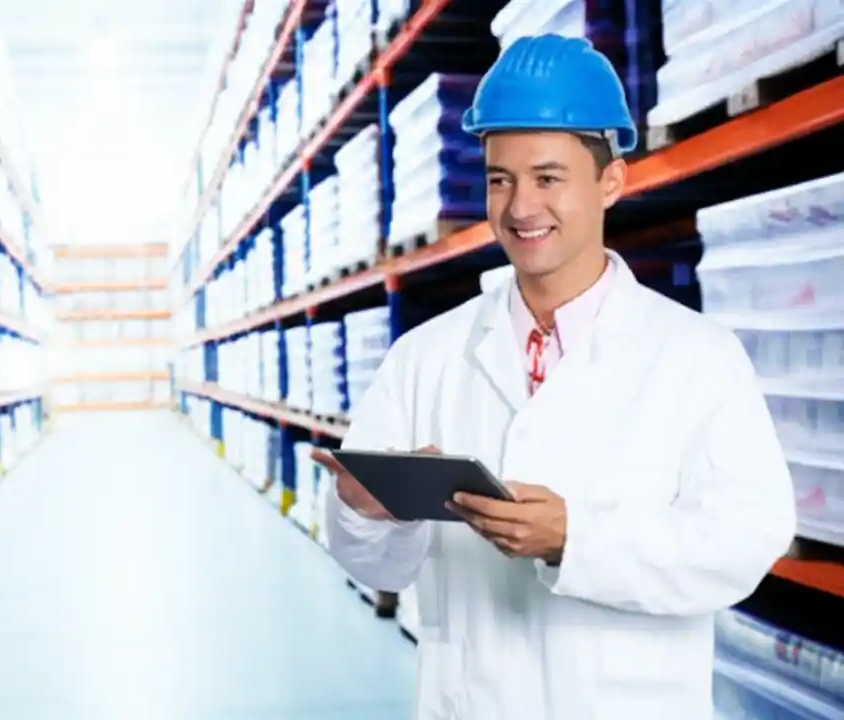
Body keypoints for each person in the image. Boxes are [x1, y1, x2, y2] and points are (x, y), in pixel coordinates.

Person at [312, 34, 796, 720]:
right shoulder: (425, 358)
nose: (518, 208)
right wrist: (365, 511)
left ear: (611, 180)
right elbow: (381, 571)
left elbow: (743, 542)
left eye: (547, 178)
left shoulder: (698, 357)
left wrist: (578, 539)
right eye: (499, 179)